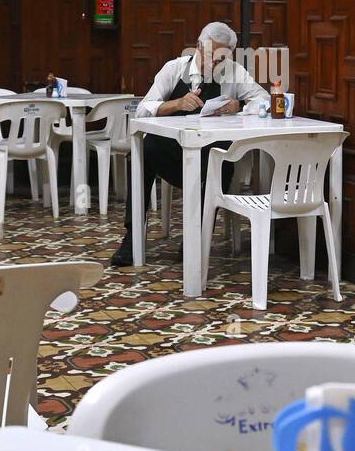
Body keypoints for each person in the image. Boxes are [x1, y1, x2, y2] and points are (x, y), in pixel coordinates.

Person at [109, 21, 268, 267]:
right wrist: (177, 104)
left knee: (224, 161)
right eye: (208, 55)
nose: (212, 64)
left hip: (209, 155)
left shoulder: (235, 73)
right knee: (144, 149)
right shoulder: (174, 69)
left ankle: (197, 236)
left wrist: (240, 106)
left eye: (220, 59)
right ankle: (133, 235)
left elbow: (264, 101)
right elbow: (142, 110)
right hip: (171, 154)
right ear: (198, 47)